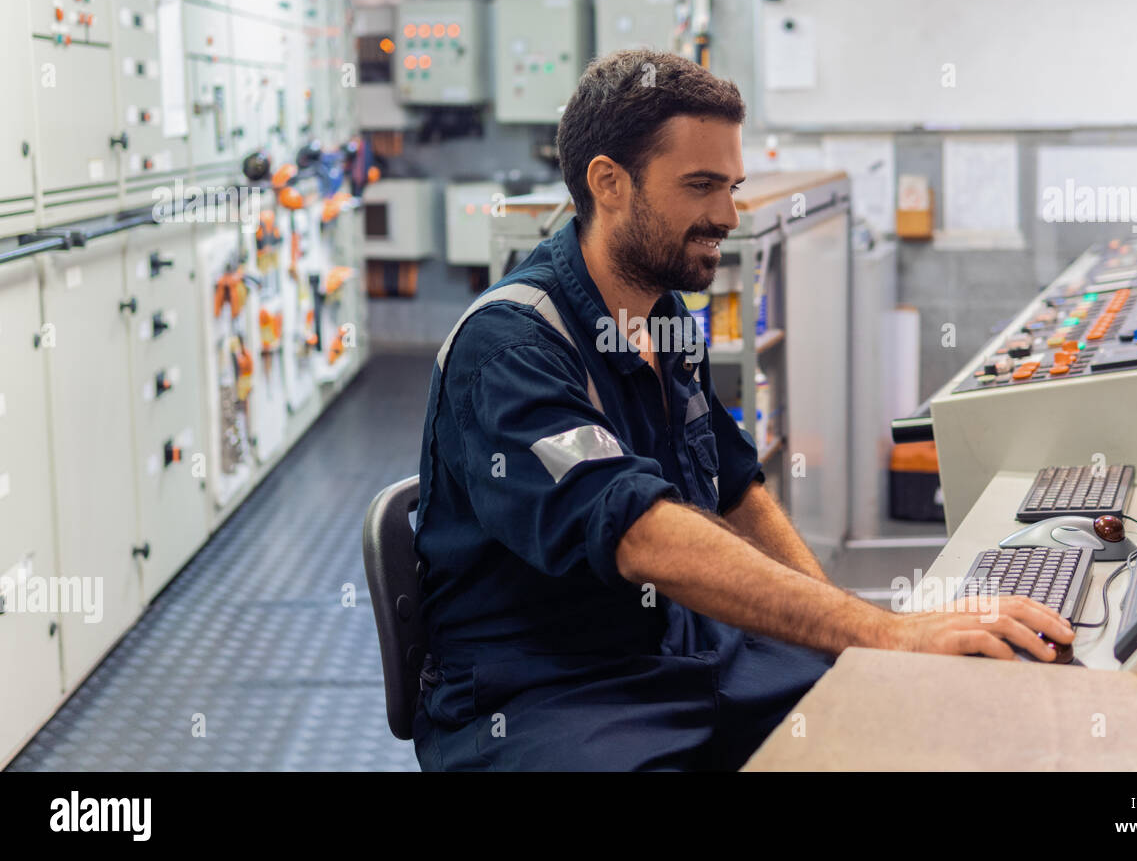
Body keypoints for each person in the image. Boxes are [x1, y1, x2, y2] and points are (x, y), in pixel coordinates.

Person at [410, 49, 1073, 771]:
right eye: (701, 186)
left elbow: (734, 488)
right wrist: (883, 633)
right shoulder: (510, 347)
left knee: (907, 715)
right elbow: (638, 533)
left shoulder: (660, 317)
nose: (728, 215)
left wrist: (849, 638)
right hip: (546, 690)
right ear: (610, 184)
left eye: (732, 186)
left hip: (681, 649)